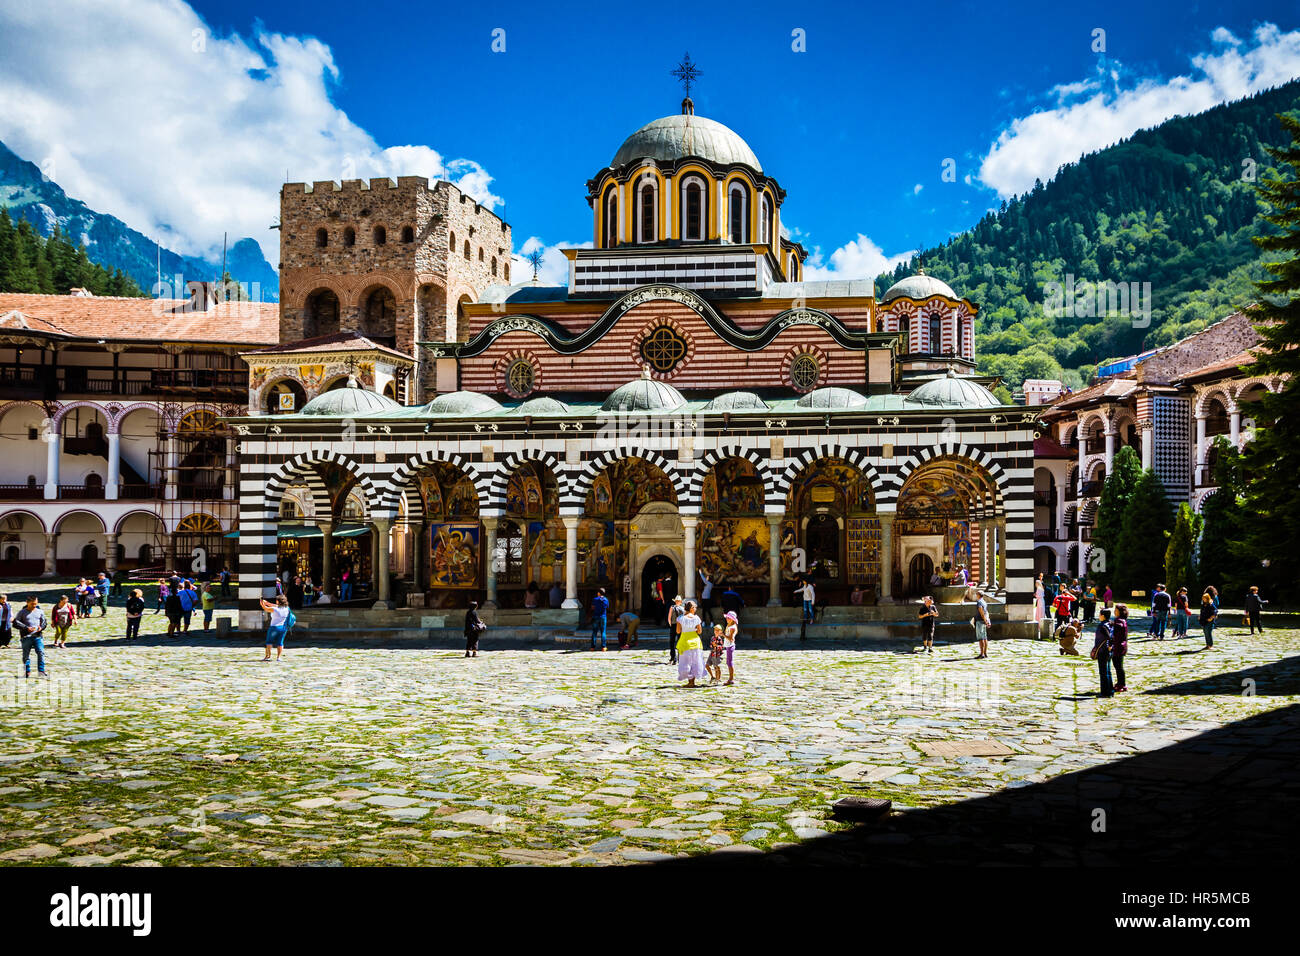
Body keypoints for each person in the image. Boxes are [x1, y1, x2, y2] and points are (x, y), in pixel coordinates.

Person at [674, 600, 707, 687]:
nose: (695, 609)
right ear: (692, 608)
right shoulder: (697, 618)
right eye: (695, 607)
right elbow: (699, 631)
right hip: (695, 642)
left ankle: (690, 682)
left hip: (685, 642)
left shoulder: (680, 619)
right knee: (695, 662)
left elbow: (678, 631)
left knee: (686, 662)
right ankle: (692, 682)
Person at [14, 597, 48, 678]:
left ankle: (41, 671)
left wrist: (41, 628)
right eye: (32, 604)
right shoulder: (22, 612)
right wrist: (26, 628)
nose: (34, 605)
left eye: (35, 604)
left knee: (41, 653)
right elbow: (16, 623)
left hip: (37, 636)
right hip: (26, 637)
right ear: (27, 602)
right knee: (26, 655)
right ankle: (27, 671)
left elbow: (44, 622)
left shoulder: (40, 611)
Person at [259, 594, 293, 661]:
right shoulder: (287, 608)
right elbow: (275, 606)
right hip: (283, 628)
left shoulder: (275, 609)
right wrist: (267, 603)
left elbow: (265, 608)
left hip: (274, 628)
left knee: (269, 642)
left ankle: (268, 656)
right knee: (280, 642)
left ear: (278, 601)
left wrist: (262, 603)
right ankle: (278, 657)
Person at [1091, 608, 1114, 698]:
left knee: (1103, 673)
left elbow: (1109, 638)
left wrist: (1109, 645)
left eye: (1100, 614)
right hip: (1109, 651)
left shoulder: (1102, 626)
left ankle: (1105, 693)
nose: (1099, 616)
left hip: (1103, 651)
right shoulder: (1111, 624)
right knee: (1108, 671)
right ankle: (1110, 690)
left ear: (1103, 616)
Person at [1111, 604, 1129, 692]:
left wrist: (1111, 624)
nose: (1114, 611)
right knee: (1118, 666)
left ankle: (1121, 684)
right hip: (1121, 645)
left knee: (1118, 666)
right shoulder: (1122, 620)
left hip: (1118, 646)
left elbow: (1118, 627)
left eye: (1116, 610)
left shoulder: (1119, 620)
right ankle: (1121, 683)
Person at [590, 587, 610, 651]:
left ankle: (592, 647)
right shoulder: (606, 600)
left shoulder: (595, 599)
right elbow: (607, 607)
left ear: (599, 593)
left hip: (596, 617)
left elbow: (592, 607)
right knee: (603, 632)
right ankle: (603, 647)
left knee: (594, 632)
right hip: (603, 617)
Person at [666, 595, 684, 664]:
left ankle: (673, 657)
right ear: (680, 602)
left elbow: (669, 618)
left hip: (674, 626)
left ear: (675, 601)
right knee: (680, 642)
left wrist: (670, 625)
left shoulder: (672, 607)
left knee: (672, 642)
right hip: (680, 626)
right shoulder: (683, 609)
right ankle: (680, 658)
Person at [972, 590, 991, 658]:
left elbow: (982, 612)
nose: (976, 595)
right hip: (984, 621)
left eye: (976, 594)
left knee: (981, 638)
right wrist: (987, 620)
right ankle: (985, 653)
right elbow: (986, 612)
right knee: (985, 637)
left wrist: (985, 620)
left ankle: (982, 654)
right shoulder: (984, 602)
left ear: (978, 595)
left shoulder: (979, 602)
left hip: (980, 621)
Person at [722, 610, 738, 685]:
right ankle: (730, 678)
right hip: (728, 645)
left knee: (730, 663)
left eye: (728, 618)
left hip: (730, 645)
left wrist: (723, 635)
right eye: (727, 618)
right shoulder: (730, 626)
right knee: (728, 662)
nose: (727, 619)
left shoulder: (732, 627)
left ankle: (731, 679)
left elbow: (730, 638)